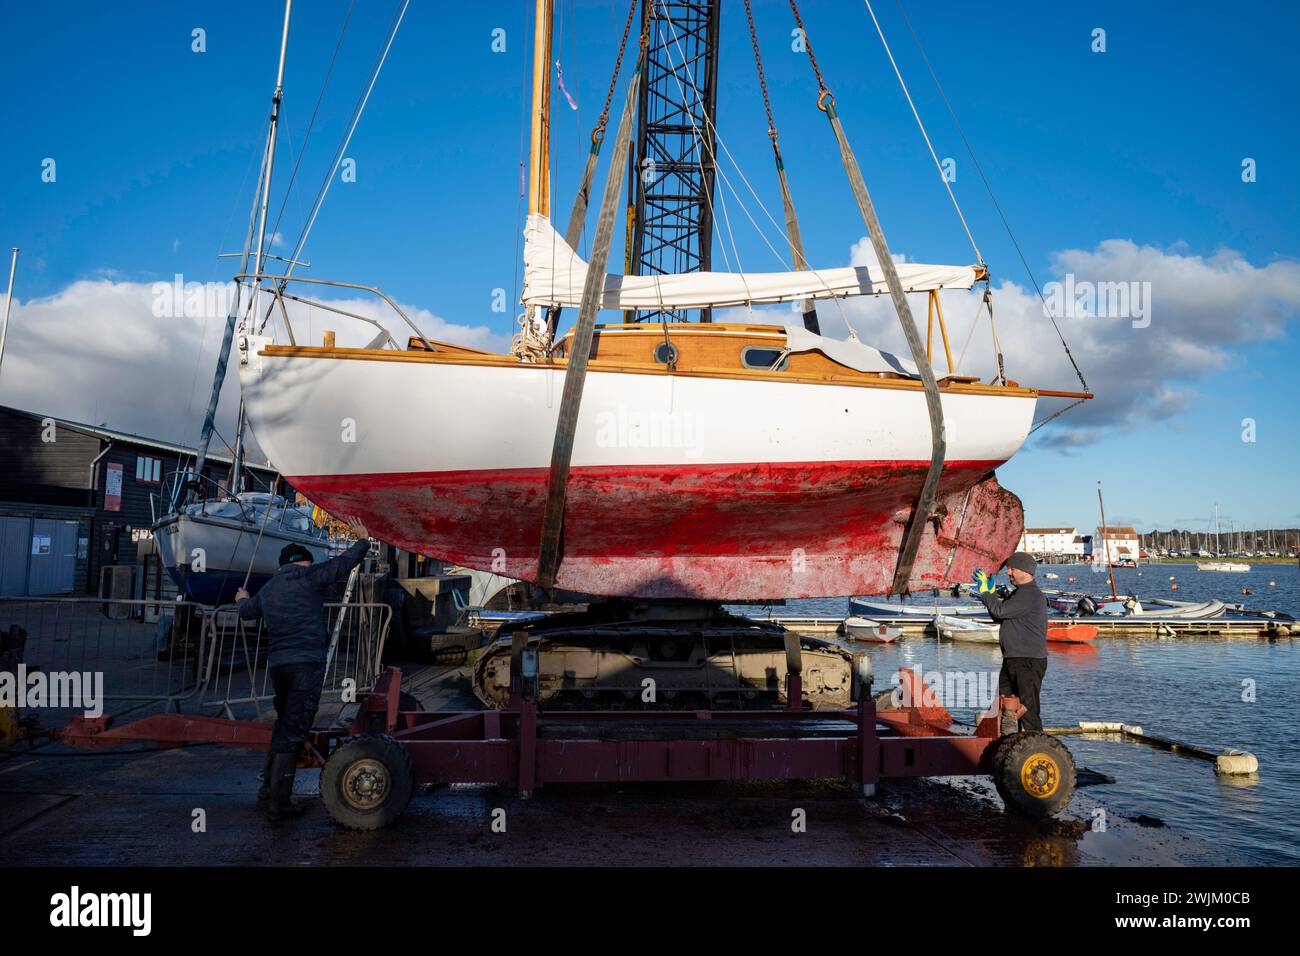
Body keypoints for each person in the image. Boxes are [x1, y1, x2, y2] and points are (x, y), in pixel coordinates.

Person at [235, 516, 371, 820]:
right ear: (303, 563)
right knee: (294, 730)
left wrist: (242, 598)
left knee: (285, 724)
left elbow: (246, 612)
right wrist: (362, 539)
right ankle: (280, 804)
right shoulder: (309, 577)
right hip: (306, 664)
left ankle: (268, 790)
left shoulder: (269, 589)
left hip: (279, 665)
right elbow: (343, 563)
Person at [972, 552, 1048, 734]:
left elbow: (999, 611)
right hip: (1013, 660)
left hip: (1028, 662)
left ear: (1023, 570)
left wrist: (985, 594)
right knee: (1005, 707)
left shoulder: (1030, 594)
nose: (1009, 573)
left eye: (1011, 569)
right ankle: (1009, 743)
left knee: (1027, 711)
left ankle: (1035, 749)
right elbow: (999, 616)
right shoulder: (1019, 594)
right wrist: (991, 595)